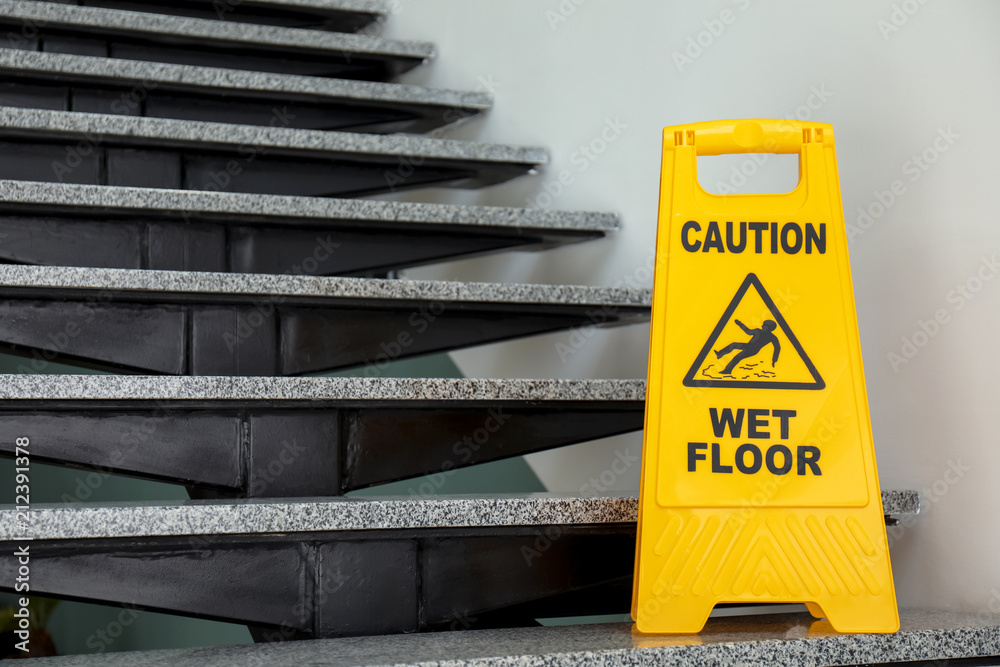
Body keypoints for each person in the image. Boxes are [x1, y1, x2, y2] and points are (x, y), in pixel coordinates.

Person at [715, 319, 780, 375]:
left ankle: (727, 371)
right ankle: (720, 354)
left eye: (764, 325)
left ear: (768, 327)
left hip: (752, 350)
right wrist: (740, 324)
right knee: (733, 344)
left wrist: (774, 360)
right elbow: (748, 331)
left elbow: (777, 348)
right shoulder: (759, 331)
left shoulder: (771, 337)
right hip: (748, 346)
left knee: (737, 357)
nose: (761, 326)